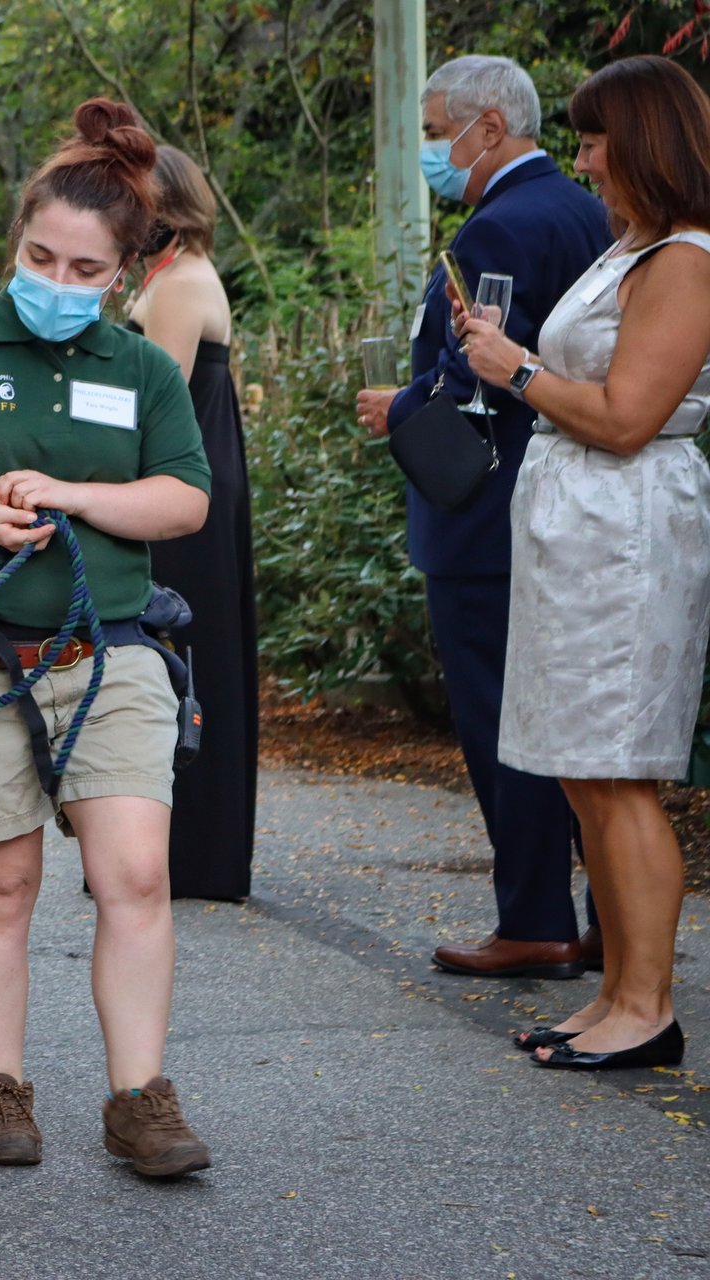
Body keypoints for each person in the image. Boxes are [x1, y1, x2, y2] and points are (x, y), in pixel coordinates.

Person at [0, 100, 213, 1175]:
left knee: (136, 874)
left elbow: (185, 500)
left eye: (82, 268)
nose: (56, 280)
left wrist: (76, 492)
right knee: (2, 885)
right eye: (38, 256)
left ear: (123, 272)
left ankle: (138, 1096)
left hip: (109, 650)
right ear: (16, 241)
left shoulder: (143, 368)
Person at [460, 55, 710, 1071]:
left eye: (599, 138)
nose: (585, 157)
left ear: (646, 142)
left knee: (619, 773)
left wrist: (513, 367)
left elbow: (627, 416)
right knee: (582, 770)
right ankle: (611, 992)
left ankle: (647, 1004)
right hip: (582, 530)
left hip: (629, 530)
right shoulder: (632, 246)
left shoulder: (687, 258)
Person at [356, 54, 613, 981]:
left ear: (489, 128)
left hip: (488, 511)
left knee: (507, 720)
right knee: (572, 721)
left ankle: (535, 917)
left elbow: (479, 372)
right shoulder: (589, 214)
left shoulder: (499, 226)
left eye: (435, 131)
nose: (432, 148)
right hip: (572, 498)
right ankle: (603, 917)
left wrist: (405, 405)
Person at [125, 145, 257, 902]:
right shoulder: (177, 276)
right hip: (203, 467)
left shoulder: (177, 284)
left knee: (183, 648)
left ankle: (192, 849)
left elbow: (158, 395)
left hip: (185, 477)